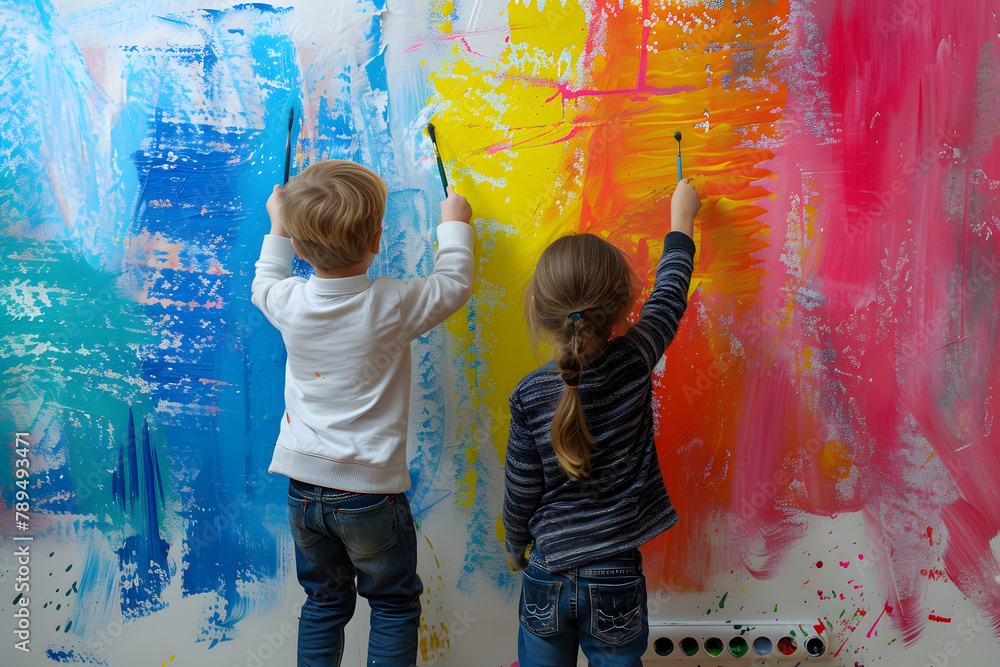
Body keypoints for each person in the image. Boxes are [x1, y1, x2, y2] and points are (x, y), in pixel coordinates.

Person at [251, 159, 474, 667]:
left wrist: (277, 226)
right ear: (377, 240)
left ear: (301, 249)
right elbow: (453, 284)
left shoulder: (286, 301)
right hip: (369, 495)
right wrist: (455, 223)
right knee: (393, 605)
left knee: (324, 603)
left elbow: (265, 278)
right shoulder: (392, 303)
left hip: (303, 490)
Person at [502, 179, 701, 666]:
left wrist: (514, 543)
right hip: (615, 574)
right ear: (623, 308)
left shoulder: (529, 395)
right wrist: (682, 221)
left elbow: (521, 488)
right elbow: (670, 296)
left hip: (546, 569)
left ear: (541, 310)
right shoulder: (635, 361)